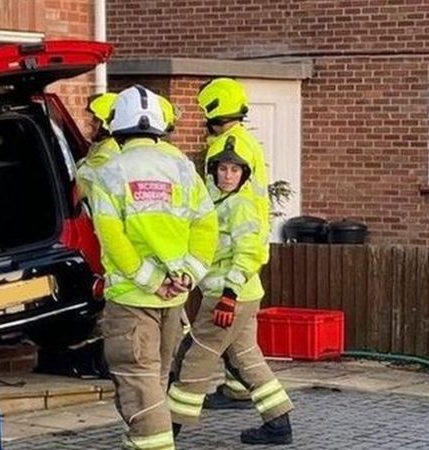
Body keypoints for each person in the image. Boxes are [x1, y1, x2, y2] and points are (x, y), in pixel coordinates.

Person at [90, 85, 218, 450]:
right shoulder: (182, 167)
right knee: (155, 384)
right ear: (160, 126)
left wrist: (151, 280)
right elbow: (206, 226)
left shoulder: (110, 171)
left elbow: (112, 239)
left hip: (133, 299)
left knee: (138, 385)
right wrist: (187, 277)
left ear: (117, 127)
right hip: (175, 301)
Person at [168, 134, 294, 445]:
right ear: (214, 171)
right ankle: (279, 424)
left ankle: (166, 430)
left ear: (244, 175)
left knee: (194, 358)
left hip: (229, 297)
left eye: (235, 171)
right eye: (223, 169)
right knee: (246, 359)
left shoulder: (240, 206)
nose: (228, 176)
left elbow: (248, 253)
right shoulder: (218, 201)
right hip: (241, 296)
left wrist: (228, 296)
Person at [197, 77, 270, 408]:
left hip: (232, 256)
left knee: (208, 344)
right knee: (243, 341)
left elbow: (212, 206)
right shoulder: (247, 141)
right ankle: (240, 390)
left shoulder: (224, 147)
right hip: (249, 249)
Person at [77, 92, 120, 197]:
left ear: (107, 124)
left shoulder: (105, 152)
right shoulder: (102, 145)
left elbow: (81, 185)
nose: (91, 123)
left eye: (96, 120)